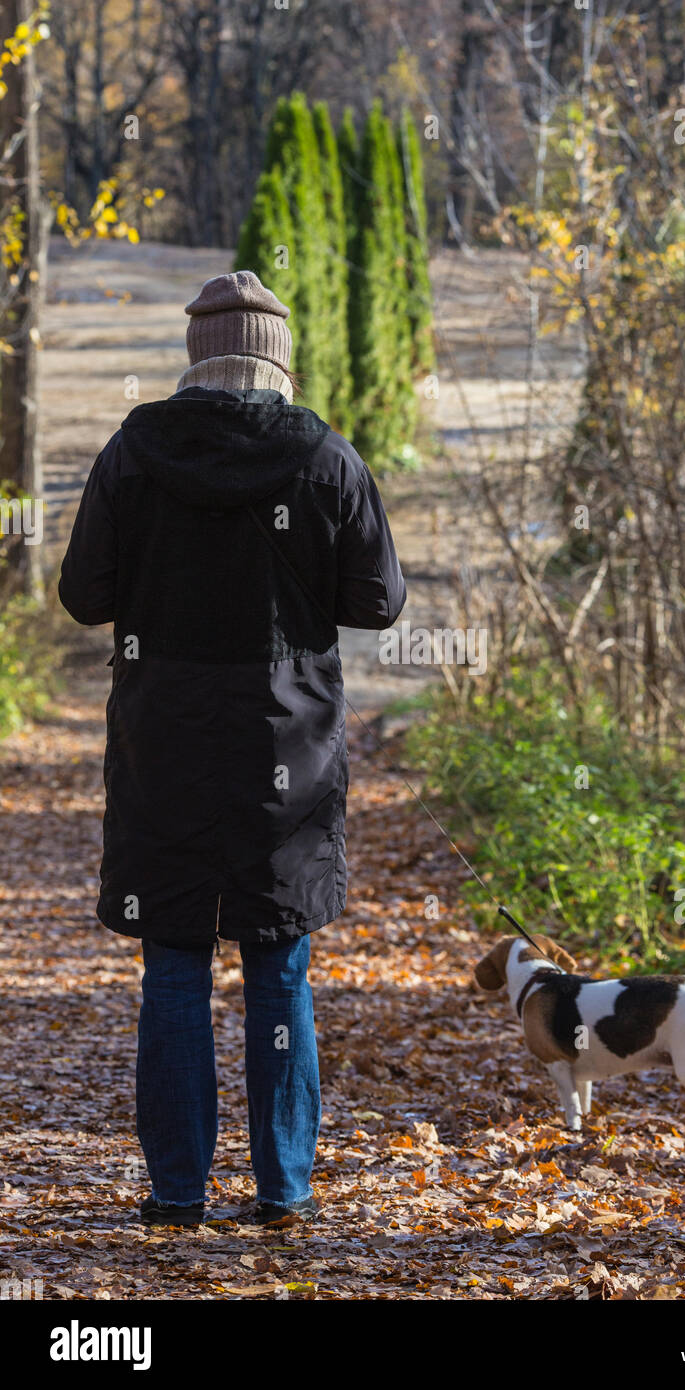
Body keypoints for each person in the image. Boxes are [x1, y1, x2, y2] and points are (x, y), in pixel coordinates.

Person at [58, 270, 407, 1227]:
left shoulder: (134, 453)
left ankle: (177, 1192)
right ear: (278, 356)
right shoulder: (326, 458)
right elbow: (377, 601)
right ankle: (285, 1188)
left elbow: (85, 596)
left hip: (161, 742)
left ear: (195, 354)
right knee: (277, 963)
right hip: (284, 750)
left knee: (174, 963)